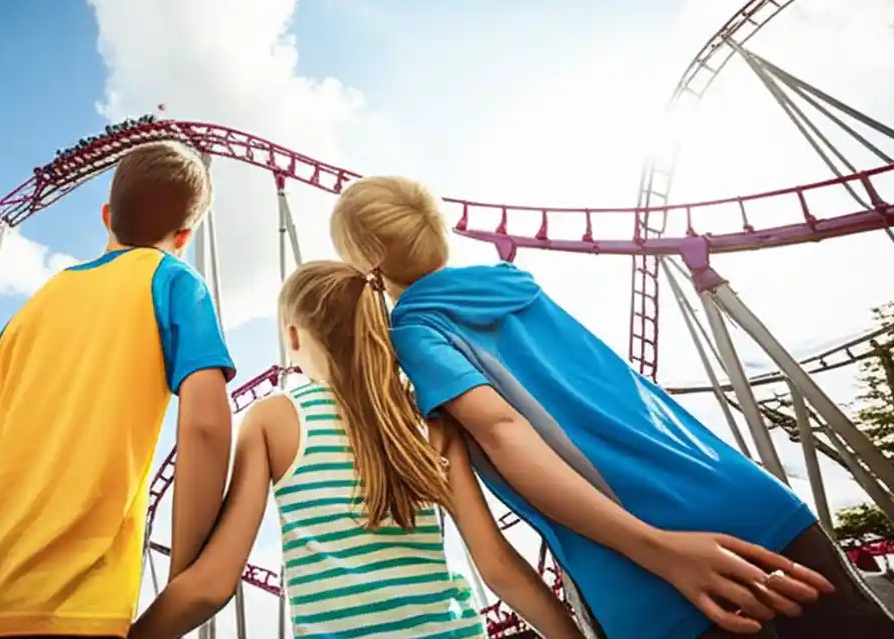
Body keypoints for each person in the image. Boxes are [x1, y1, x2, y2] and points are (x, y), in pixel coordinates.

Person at [328, 176, 894, 639]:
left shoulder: (418, 329)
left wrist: (653, 548)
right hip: (745, 495)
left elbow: (505, 431)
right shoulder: (515, 283)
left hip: (647, 557)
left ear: (366, 263)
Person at [0, 143, 238, 639]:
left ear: (106, 215)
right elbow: (205, 424)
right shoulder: (174, 280)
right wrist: (181, 588)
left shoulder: (33, 312)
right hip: (72, 612)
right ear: (185, 235)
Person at [128, 261, 581, 639]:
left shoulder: (275, 418)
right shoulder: (425, 419)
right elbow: (497, 565)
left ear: (292, 336)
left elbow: (211, 586)